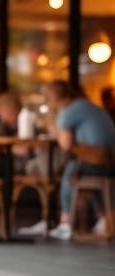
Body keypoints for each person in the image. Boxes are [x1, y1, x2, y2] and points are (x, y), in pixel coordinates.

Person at [32, 81, 115, 240]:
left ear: (54, 98)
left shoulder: (69, 111)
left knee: (71, 171)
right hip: (110, 161)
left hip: (99, 161)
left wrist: (51, 120)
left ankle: (65, 223)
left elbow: (65, 145)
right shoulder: (85, 105)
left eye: (47, 98)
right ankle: (104, 219)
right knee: (79, 170)